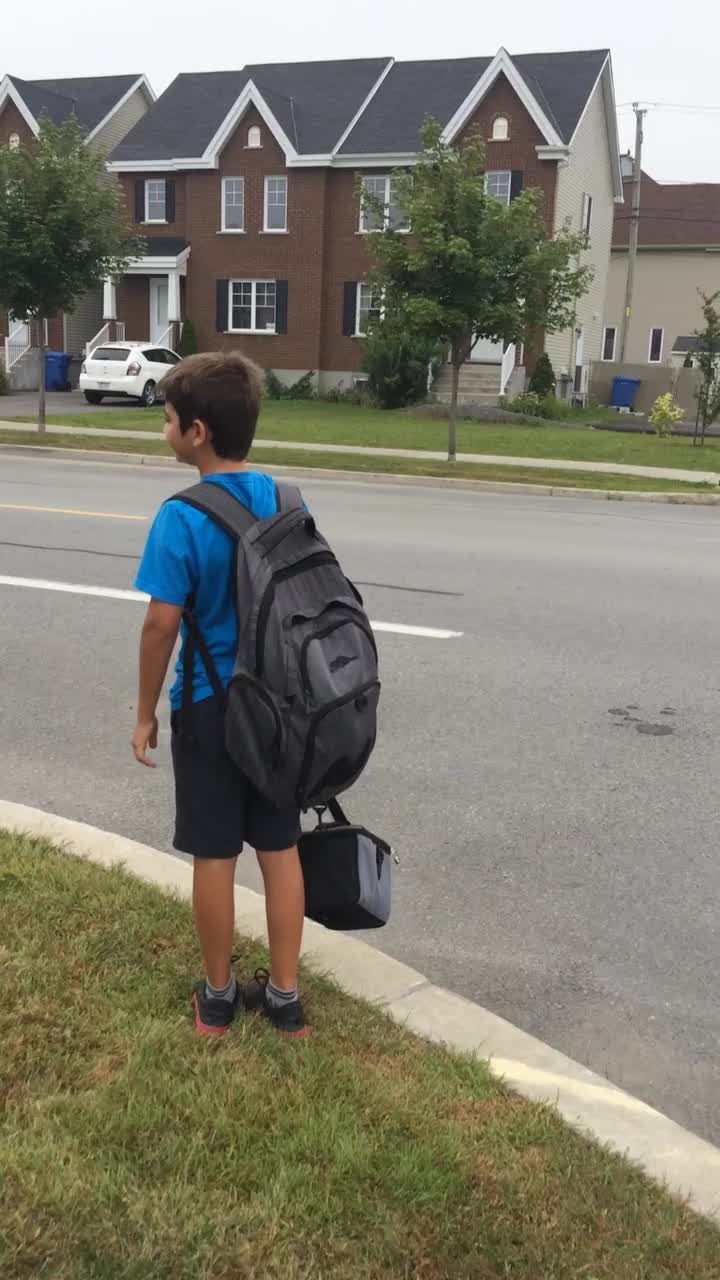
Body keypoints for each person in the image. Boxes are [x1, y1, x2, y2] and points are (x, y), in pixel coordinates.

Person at [131, 351, 307, 1039]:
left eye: (168, 419)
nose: (165, 429)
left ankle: (217, 996)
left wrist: (145, 713)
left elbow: (160, 624)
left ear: (196, 431)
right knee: (279, 847)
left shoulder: (180, 517)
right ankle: (286, 998)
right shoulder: (287, 499)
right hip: (281, 705)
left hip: (210, 706)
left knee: (214, 853)